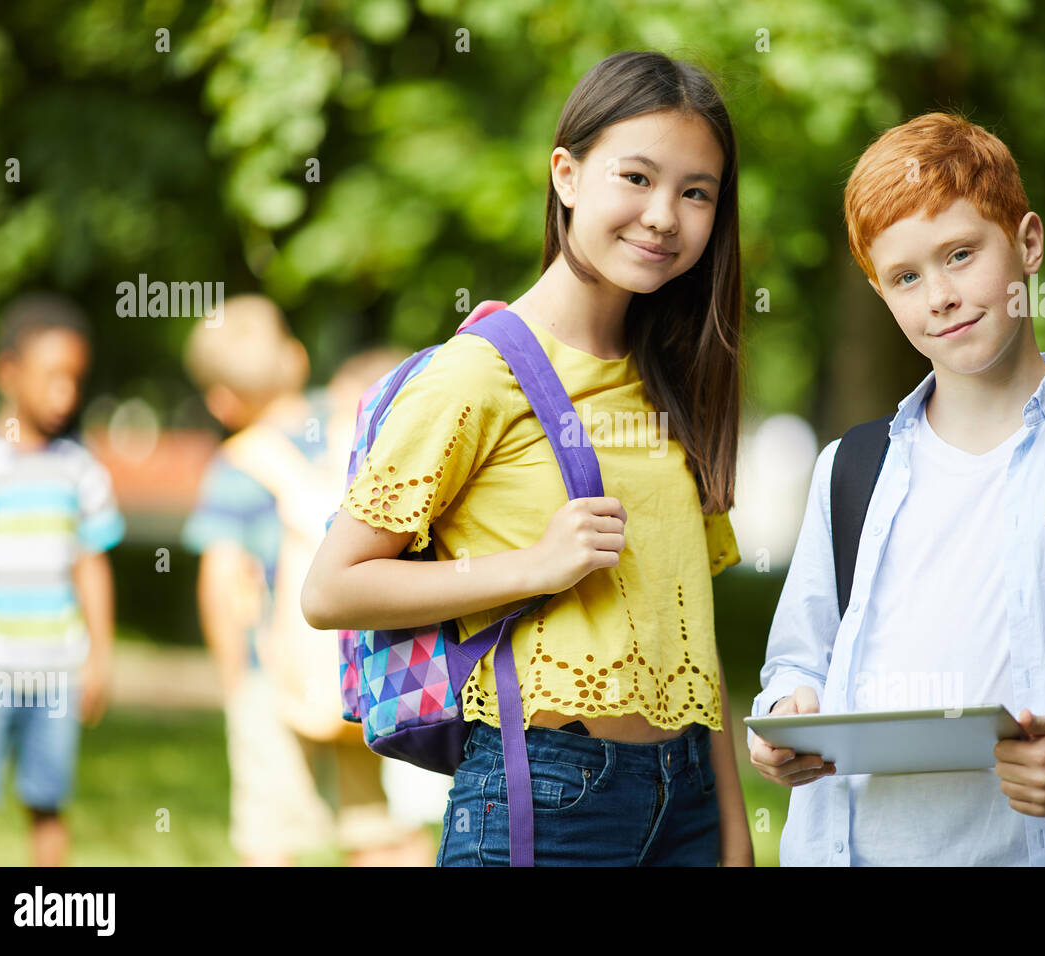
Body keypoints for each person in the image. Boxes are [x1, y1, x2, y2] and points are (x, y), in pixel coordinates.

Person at [749, 112, 1045, 866]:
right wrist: (788, 718)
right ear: (880, 292)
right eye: (906, 276)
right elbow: (797, 661)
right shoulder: (848, 469)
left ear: (1029, 243)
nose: (939, 295)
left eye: (960, 254)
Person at [302, 50, 750, 866]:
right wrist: (534, 566)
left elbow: (695, 635)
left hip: (686, 794)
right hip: (548, 793)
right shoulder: (478, 372)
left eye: (696, 192)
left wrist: (731, 834)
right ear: (567, 175)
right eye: (637, 178)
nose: (664, 216)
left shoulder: (675, 380)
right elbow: (332, 589)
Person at [180, 295, 416, 866]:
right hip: (360, 664)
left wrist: (234, 679)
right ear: (298, 359)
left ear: (221, 401)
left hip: (274, 671)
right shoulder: (347, 431)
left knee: (270, 830)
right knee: (372, 819)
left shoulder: (237, 467)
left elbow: (219, 579)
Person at [0, 292, 124, 866]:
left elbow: (90, 562)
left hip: (55, 669)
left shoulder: (78, 468)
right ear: (8, 372)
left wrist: (99, 656)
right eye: (51, 377)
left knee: (48, 801)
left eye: (74, 380)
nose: (66, 394)